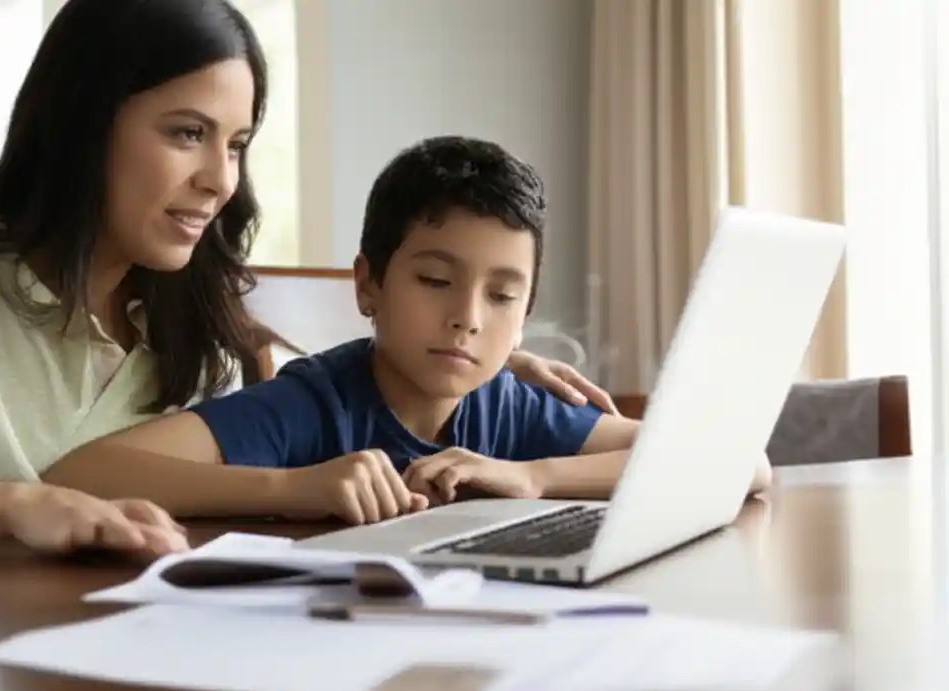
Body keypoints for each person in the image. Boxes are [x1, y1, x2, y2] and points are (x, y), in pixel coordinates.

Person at [0, 0, 615, 557]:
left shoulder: (197, 308)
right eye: (187, 133)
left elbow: (338, 391)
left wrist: (491, 360)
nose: (221, 180)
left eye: (235, 145)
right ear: (86, 124)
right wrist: (14, 504)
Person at [67, 136, 772, 524]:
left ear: (524, 316)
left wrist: (534, 476)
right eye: (435, 281)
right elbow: (81, 475)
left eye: (503, 294)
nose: (468, 315)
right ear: (369, 285)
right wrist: (294, 489)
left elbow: (743, 462)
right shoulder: (314, 404)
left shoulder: (506, 408)